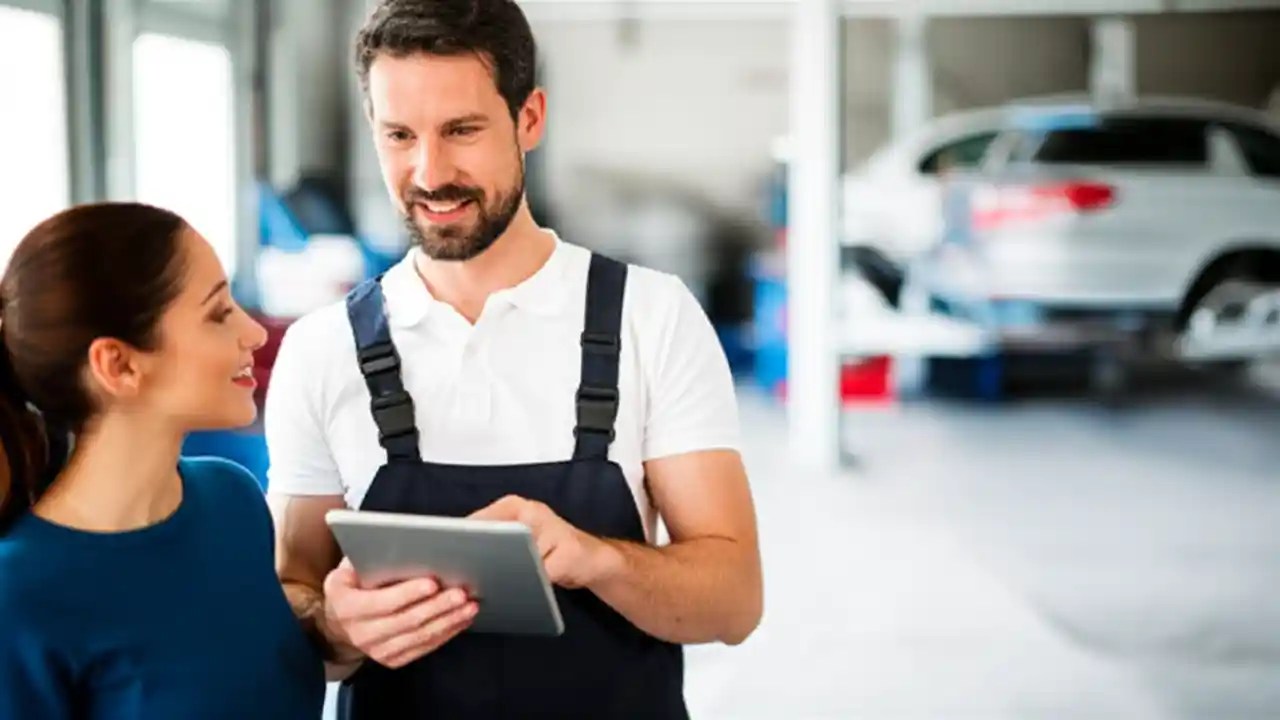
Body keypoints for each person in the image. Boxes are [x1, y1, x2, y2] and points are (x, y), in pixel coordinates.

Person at [265, 0, 764, 717]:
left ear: (529, 119)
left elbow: (734, 601)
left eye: (461, 130)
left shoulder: (651, 319)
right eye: (398, 135)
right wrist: (336, 626)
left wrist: (598, 560)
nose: (429, 172)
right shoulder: (323, 349)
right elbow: (296, 599)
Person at [0, 203, 326, 719]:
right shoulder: (18, 593)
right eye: (219, 314)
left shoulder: (234, 501)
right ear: (120, 364)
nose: (255, 333)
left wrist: (335, 625)